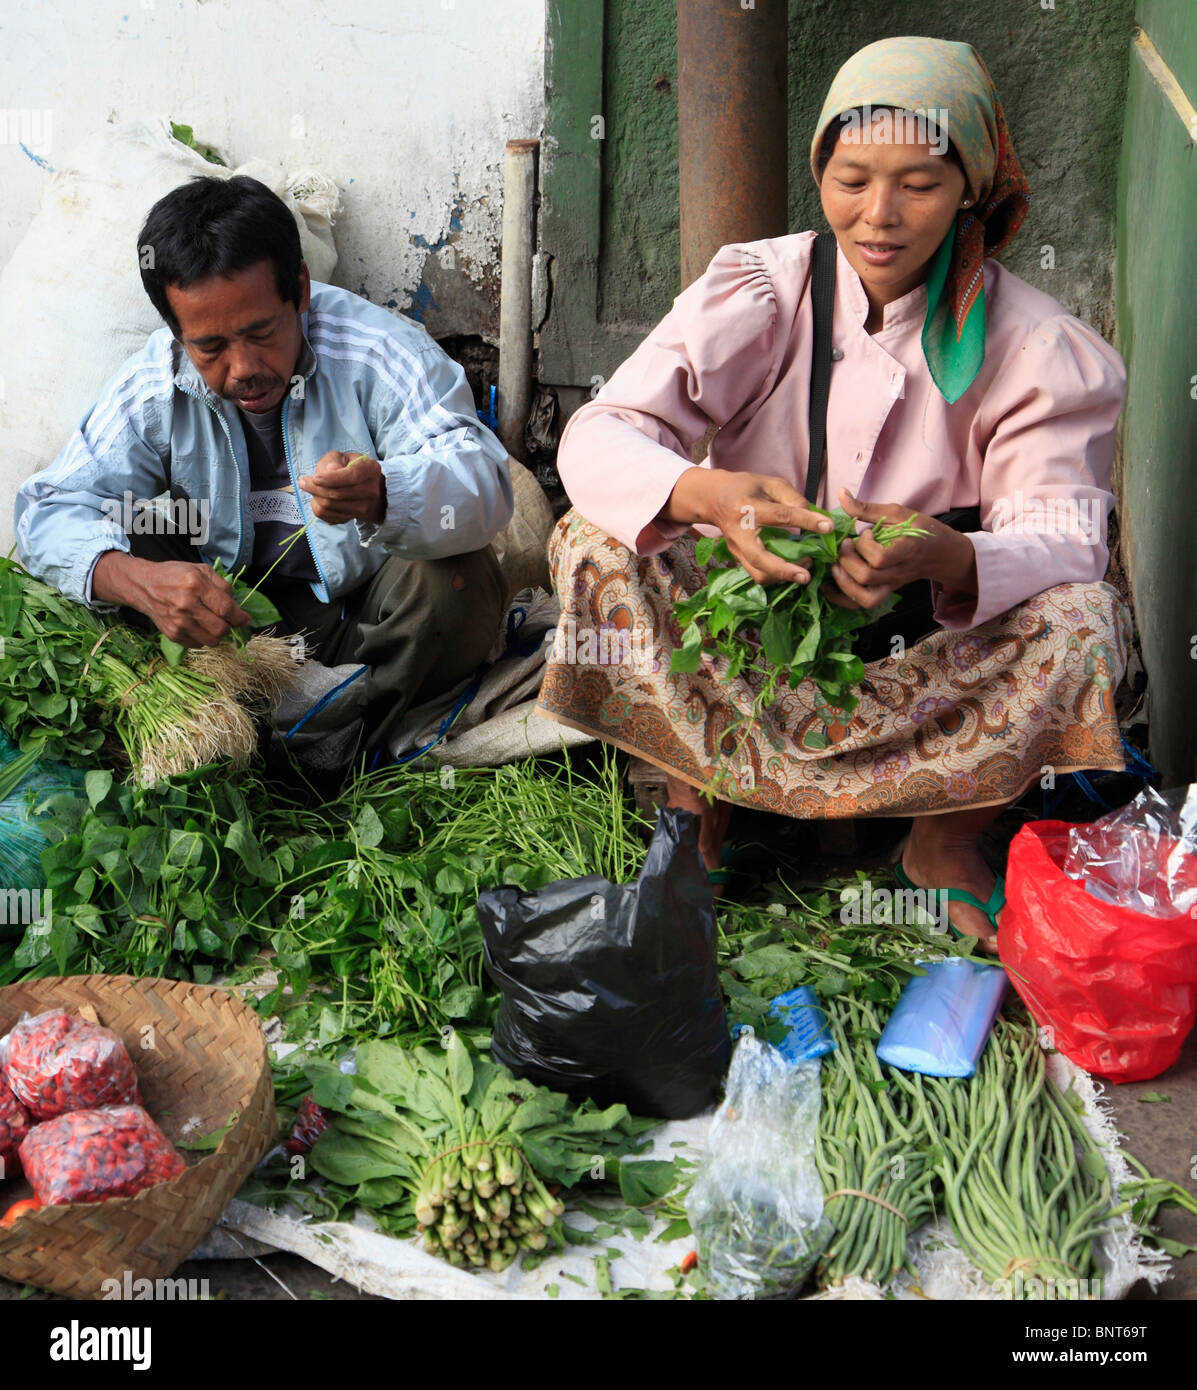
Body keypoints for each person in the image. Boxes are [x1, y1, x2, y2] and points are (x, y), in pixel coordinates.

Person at [535, 36, 1132, 953]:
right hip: (749, 622)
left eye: (919, 185)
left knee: (1081, 617)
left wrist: (952, 555)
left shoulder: (1034, 346)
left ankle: (937, 847)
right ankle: (701, 804)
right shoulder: (764, 287)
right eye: (851, 178)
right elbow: (599, 434)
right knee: (594, 541)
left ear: (969, 185)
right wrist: (710, 496)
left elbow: (1063, 533)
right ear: (821, 171)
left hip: (918, 646)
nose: (878, 216)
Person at [15, 174, 513, 774]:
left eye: (261, 332)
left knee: (457, 577)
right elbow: (46, 508)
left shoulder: (377, 352)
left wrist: (386, 492)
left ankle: (354, 757)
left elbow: (483, 480)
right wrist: (137, 580)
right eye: (211, 347)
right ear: (177, 334)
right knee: (106, 551)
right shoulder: (154, 386)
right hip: (221, 628)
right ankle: (235, 742)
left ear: (299, 289)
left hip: (362, 619)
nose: (244, 367)